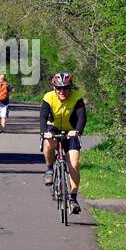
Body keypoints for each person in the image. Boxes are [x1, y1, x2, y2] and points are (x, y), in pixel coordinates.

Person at [40, 70, 87, 214]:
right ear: (54, 88)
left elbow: (82, 117)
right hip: (53, 128)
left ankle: (73, 199)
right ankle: (49, 169)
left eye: (65, 87)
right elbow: (43, 117)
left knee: (74, 164)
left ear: (70, 88)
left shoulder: (76, 97)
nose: (62, 91)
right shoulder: (49, 97)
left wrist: (77, 131)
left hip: (71, 131)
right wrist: (44, 132)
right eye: (59, 88)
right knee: (48, 141)